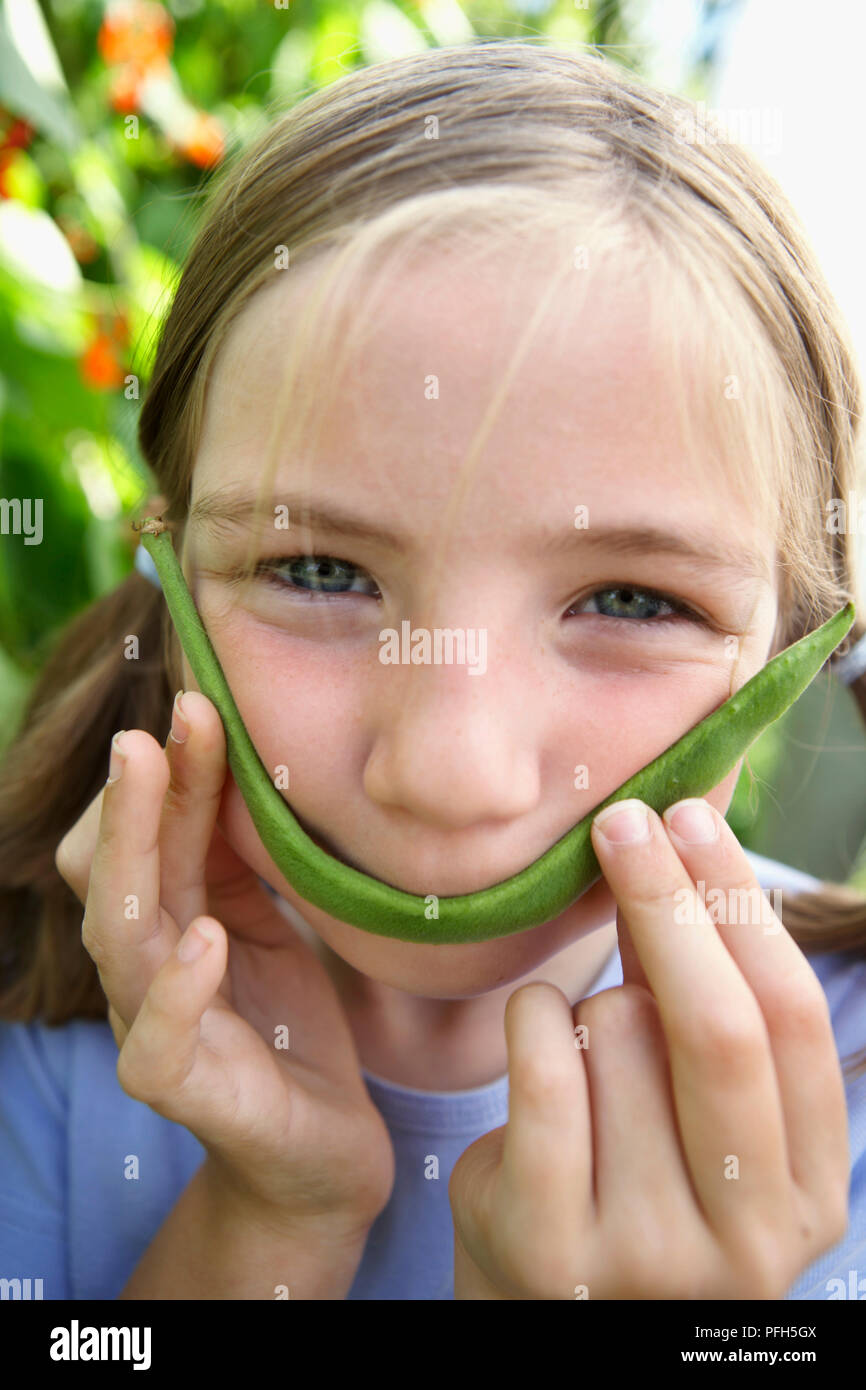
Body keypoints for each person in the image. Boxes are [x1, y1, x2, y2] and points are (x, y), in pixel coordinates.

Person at [2, 40, 866, 1302]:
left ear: (799, 642)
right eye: (316, 572)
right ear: (172, 573)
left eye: (630, 600)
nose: (447, 774)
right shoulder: (32, 1036)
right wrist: (268, 1219)